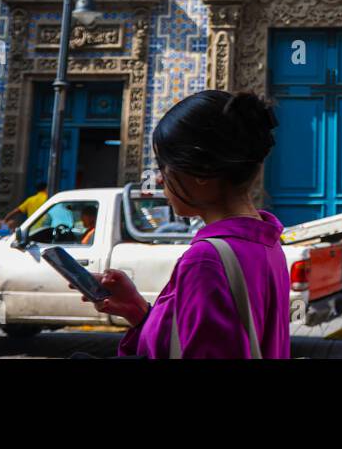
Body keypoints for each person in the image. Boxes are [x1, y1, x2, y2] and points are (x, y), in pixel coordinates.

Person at [85, 90, 290, 359]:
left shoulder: (206, 260)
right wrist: (137, 310)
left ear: (201, 171)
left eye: (164, 166)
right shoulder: (266, 243)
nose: (159, 180)